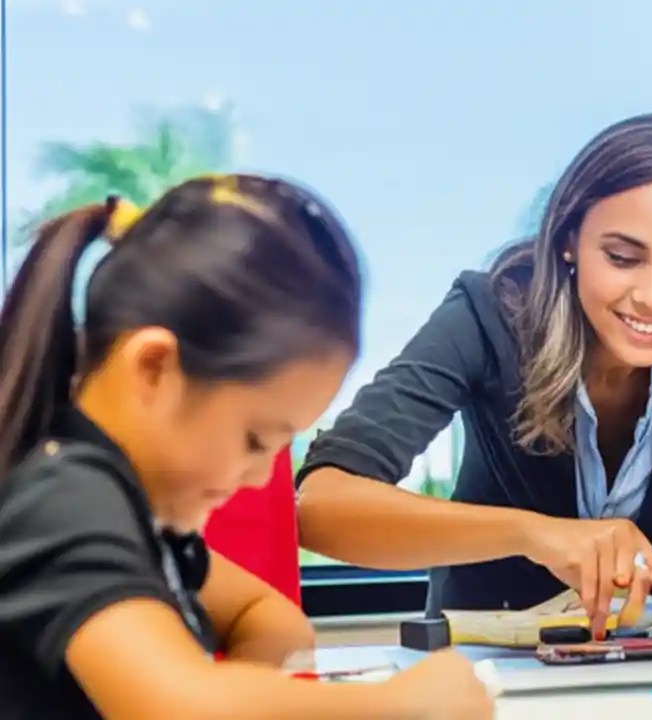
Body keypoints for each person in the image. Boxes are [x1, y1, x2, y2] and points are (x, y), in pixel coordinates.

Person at [0, 176, 492, 719]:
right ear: (154, 368)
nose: (260, 478)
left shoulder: (146, 524)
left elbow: (268, 617)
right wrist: (395, 707)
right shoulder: (63, 501)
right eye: (256, 440)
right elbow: (175, 707)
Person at [295, 113, 652, 636]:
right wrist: (536, 535)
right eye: (622, 257)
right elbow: (323, 505)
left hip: (650, 658)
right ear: (568, 239)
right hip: (485, 655)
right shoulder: (489, 314)